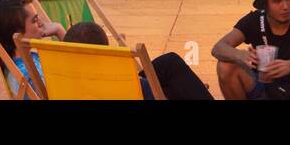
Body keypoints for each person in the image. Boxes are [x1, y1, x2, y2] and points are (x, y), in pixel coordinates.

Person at [62, 22, 213, 100]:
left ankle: (190, 88)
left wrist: (57, 31)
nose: (41, 24)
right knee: (173, 71)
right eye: (36, 20)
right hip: (121, 92)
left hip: (89, 87)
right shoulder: (128, 84)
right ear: (104, 52)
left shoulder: (53, 71)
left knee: (168, 63)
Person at [0, 0, 64, 96]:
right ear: (17, 34)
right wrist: (60, 31)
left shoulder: (22, 62)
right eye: (35, 20)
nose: (41, 23)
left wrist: (59, 29)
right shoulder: (30, 75)